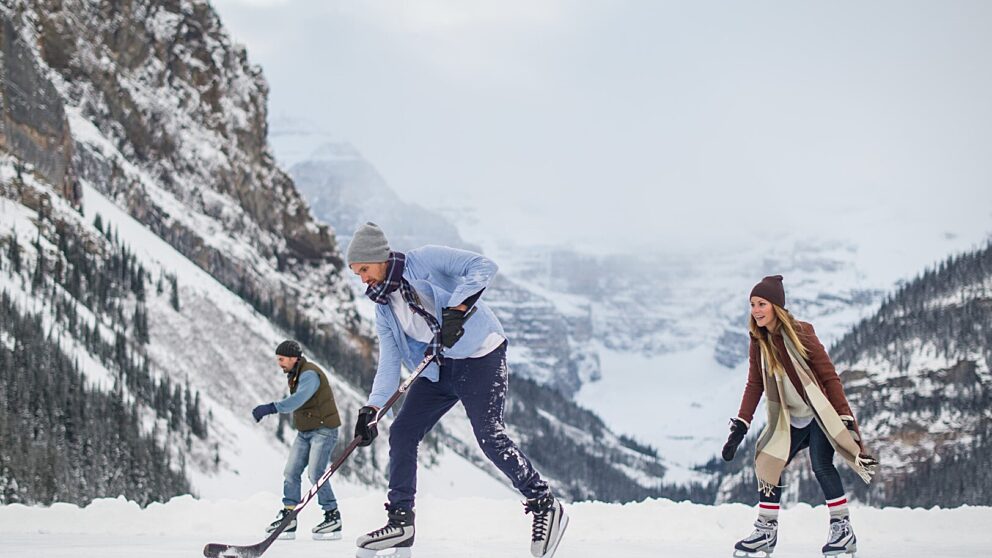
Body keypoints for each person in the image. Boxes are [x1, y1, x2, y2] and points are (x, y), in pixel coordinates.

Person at [345, 222, 568, 558]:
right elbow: (389, 362)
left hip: (480, 355)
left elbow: (483, 266)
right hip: (439, 367)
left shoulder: (425, 260)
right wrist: (372, 409)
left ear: (380, 258)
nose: (362, 279)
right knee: (403, 431)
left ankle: (544, 503)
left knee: (489, 436)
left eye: (364, 269)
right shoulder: (384, 308)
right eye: (356, 273)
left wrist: (458, 309)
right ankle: (401, 522)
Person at [722, 275, 878, 557]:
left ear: (776, 306)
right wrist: (741, 425)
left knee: (821, 464)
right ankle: (766, 532)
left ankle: (842, 529)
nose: (756, 310)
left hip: (818, 414)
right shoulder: (758, 341)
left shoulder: (801, 333)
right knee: (768, 462)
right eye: (752, 304)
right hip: (789, 417)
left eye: (761, 304)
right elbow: (755, 384)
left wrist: (844, 417)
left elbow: (829, 377)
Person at [252, 340, 343, 541]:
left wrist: (271, 408)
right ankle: (289, 517)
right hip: (305, 431)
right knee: (291, 472)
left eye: (282, 359)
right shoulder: (296, 373)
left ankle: (332, 516)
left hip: (324, 430)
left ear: (294, 358)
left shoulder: (309, 374)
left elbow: (298, 400)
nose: (279, 363)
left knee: (316, 473)